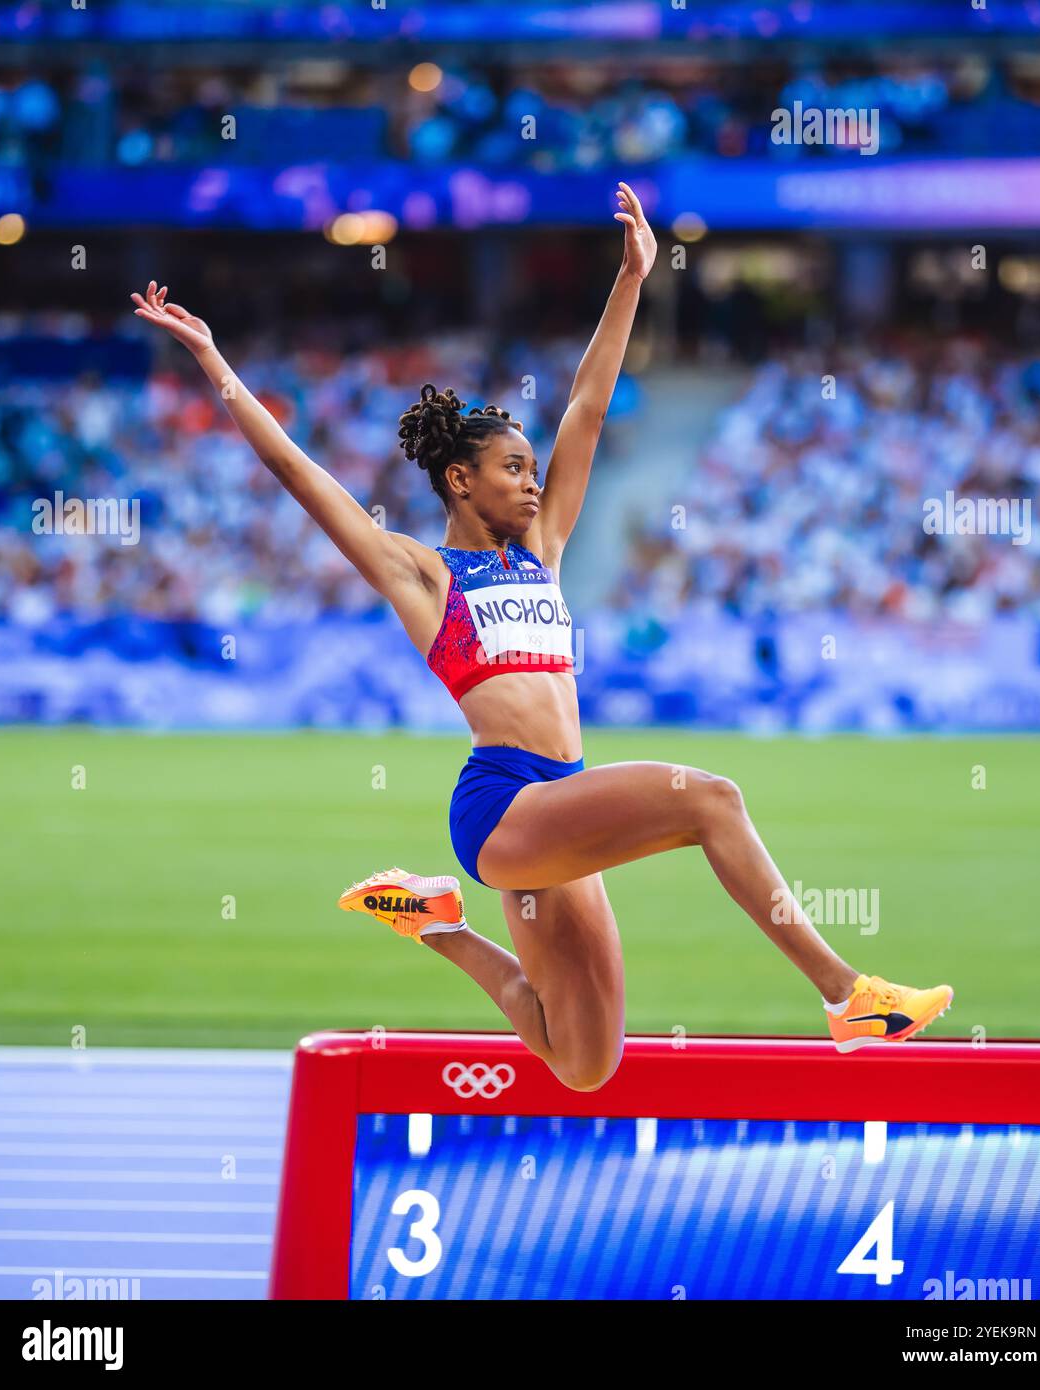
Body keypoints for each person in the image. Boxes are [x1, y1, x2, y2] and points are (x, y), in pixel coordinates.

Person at [131, 181, 952, 1093]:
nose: (531, 484)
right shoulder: (422, 575)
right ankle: (846, 995)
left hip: (564, 803)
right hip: (506, 810)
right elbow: (296, 470)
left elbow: (588, 410)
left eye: (533, 469)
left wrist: (633, 277)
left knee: (585, 1062)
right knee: (710, 799)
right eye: (511, 470)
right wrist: (215, 362)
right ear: (457, 480)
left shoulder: (543, 555)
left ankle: (437, 922)